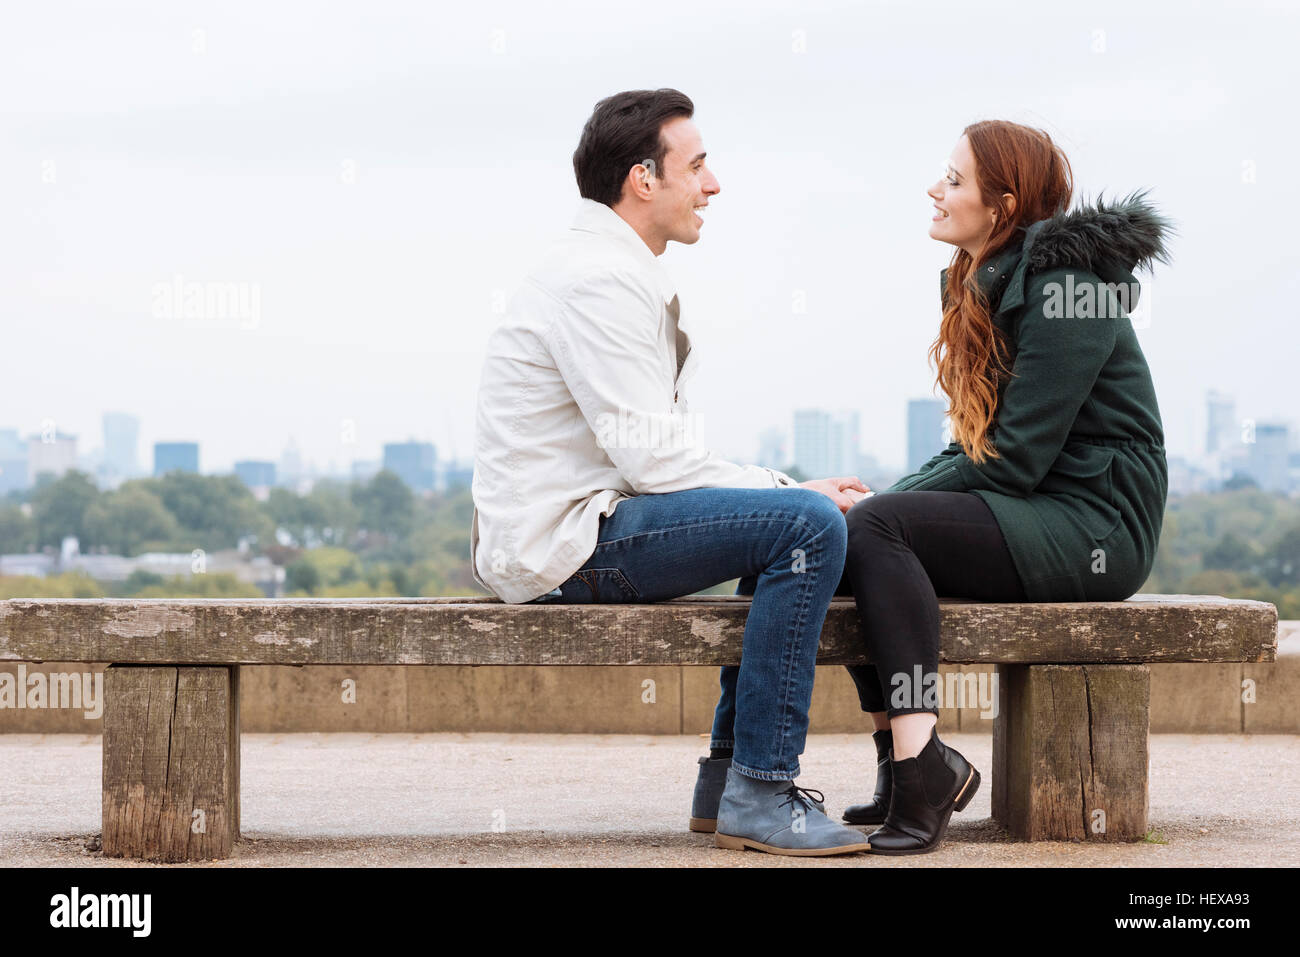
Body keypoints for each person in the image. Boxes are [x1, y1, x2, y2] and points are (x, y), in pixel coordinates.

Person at [469, 88, 870, 856]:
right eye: (698, 165)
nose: (712, 185)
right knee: (807, 525)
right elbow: (656, 461)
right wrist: (794, 490)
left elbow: (656, 457)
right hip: (568, 544)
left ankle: (730, 783)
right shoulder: (597, 278)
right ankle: (761, 790)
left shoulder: (607, 268)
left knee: (783, 529)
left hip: (580, 528)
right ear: (643, 179)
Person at [833, 119, 1171, 854]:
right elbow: (976, 444)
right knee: (849, 535)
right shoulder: (985, 277)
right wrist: (882, 500)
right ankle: (904, 759)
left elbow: (1013, 458)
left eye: (954, 180)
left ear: (1004, 204)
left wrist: (882, 508)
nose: (935, 188)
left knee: (875, 528)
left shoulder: (1069, 291)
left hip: (1097, 522)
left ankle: (926, 767)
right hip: (1041, 501)